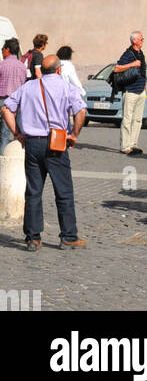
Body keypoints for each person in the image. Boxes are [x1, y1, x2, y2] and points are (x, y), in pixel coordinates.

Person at [1, 54, 87, 250]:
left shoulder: (29, 87)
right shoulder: (66, 87)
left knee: (33, 191)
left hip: (32, 143)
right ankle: (68, 236)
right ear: (59, 70)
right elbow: (81, 111)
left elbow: (6, 109)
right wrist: (74, 134)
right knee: (63, 191)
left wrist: (18, 133)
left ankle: (33, 238)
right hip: (56, 143)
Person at [113, 30, 147, 156]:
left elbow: (143, 71)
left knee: (138, 120)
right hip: (130, 90)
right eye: (141, 39)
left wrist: (144, 85)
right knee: (127, 119)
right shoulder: (128, 54)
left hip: (140, 90)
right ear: (134, 41)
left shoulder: (141, 53)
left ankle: (133, 144)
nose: (143, 41)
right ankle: (125, 146)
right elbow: (116, 68)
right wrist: (133, 64)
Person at [0, 37, 28, 154]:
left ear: (7, 49)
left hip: (4, 101)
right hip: (19, 102)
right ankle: (19, 158)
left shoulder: (2, 65)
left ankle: (2, 161)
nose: (2, 51)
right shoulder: (22, 66)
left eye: (2, 49)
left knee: (4, 135)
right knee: (19, 133)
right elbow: (24, 84)